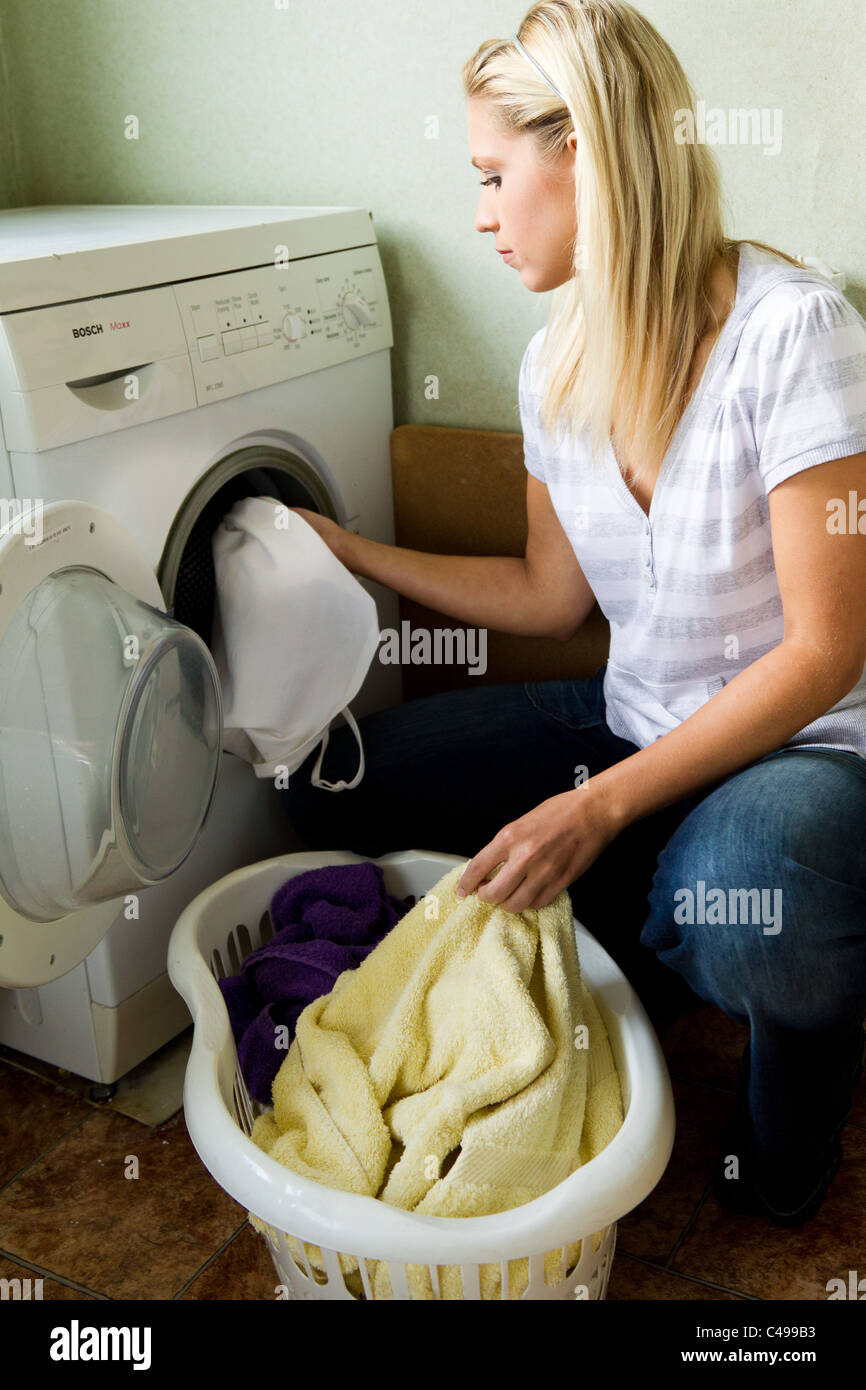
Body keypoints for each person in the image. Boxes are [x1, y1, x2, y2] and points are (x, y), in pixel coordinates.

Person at [280, 0, 866, 1228]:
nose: (481, 214)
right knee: (334, 781)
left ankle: (788, 1116)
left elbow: (821, 654)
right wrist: (348, 552)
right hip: (629, 721)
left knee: (759, 899)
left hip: (794, 759)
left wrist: (591, 807)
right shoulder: (554, 361)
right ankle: (633, 924)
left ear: (588, 153)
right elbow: (549, 597)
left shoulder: (793, 333)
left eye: (495, 176)